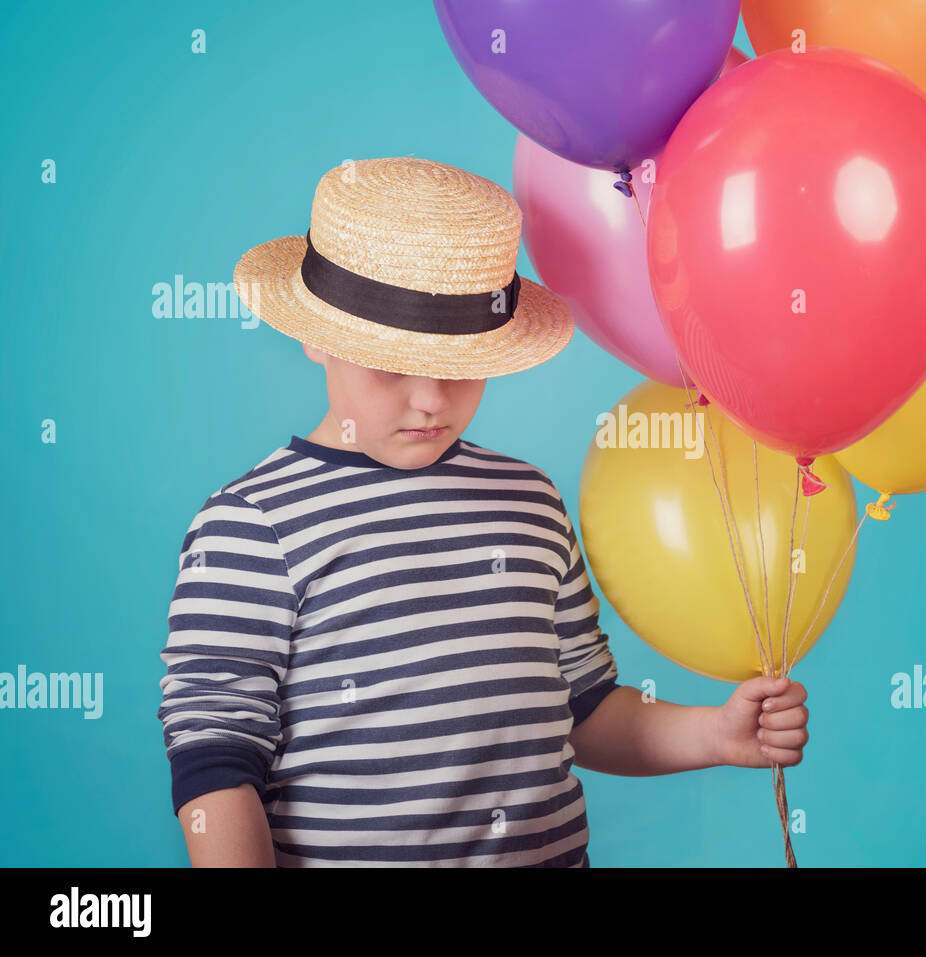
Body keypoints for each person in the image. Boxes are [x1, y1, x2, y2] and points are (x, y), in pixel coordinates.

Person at [157, 157, 809, 867]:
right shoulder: (252, 524)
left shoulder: (530, 501)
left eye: (460, 367)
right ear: (317, 335)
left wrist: (713, 734)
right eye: (391, 364)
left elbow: (584, 708)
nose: (432, 400)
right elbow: (215, 758)